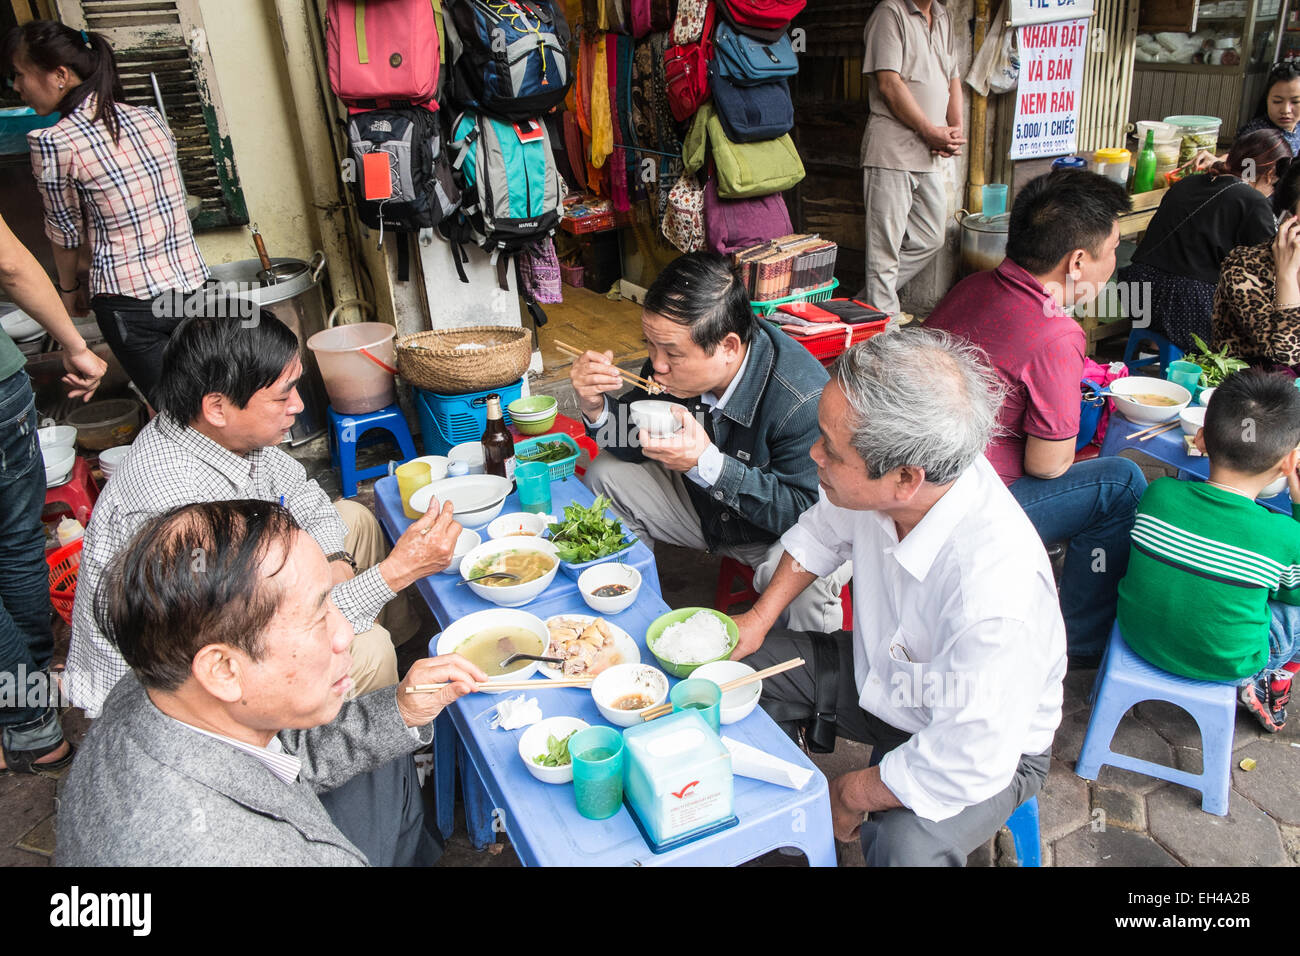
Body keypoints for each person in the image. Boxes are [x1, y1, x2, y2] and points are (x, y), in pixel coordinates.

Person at [732, 329, 1066, 867]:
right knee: (738, 675)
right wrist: (757, 618)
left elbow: (964, 758)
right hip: (881, 675)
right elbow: (821, 533)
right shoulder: (887, 478)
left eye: (830, 449)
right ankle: (777, 833)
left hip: (985, 747)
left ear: (905, 478)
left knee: (905, 849)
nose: (814, 454)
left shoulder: (996, 596)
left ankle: (843, 821)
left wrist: (847, 793)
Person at [67, 307, 457, 717]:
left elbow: (305, 495)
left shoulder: (216, 431)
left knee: (354, 520)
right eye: (282, 395)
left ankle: (403, 649)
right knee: (368, 653)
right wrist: (398, 572)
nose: (297, 405)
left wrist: (336, 561)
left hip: (244, 608)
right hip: (177, 696)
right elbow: (261, 635)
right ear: (217, 406)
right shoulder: (176, 509)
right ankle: (375, 735)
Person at [56, 499, 488, 865]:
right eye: (320, 615)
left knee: (390, 744)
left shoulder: (160, 670)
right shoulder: (230, 849)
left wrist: (402, 710)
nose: (344, 635)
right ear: (223, 670)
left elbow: (286, 753)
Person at [926, 169, 1146, 662]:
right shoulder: (1057, 333)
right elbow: (1046, 466)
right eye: (1112, 250)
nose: (1115, 263)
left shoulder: (973, 286)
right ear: (1078, 261)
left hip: (925, 480)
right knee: (1122, 483)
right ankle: (1080, 642)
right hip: (968, 510)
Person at [570, 252, 848, 633]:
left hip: (775, 534)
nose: (657, 364)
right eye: (650, 345)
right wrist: (596, 406)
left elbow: (808, 514)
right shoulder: (669, 367)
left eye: (671, 352)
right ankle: (632, 621)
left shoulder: (799, 398)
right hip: (709, 513)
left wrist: (707, 465)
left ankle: (809, 680)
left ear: (729, 347)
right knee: (606, 474)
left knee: (807, 584)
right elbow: (635, 440)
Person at [3, 20, 209, 404]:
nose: (16, 87)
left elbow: (64, 234)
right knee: (215, 403)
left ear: (60, 75)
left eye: (18, 75)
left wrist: (68, 292)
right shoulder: (150, 118)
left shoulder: (53, 141)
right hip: (193, 292)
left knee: (176, 416)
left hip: (130, 304)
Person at [1117, 370, 1300, 732]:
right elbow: (1293, 596)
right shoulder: (1284, 534)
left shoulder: (1160, 494)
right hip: (1227, 663)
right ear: (1289, 462)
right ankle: (1267, 678)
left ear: (1199, 439)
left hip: (1138, 636)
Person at [0, 211, 106, 778]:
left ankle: (29, 723)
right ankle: (34, 693)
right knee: (16, 547)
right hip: (3, 387)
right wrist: (75, 346)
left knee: (15, 549)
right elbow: (12, 263)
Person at [1122, 128, 1288, 353]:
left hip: (1135, 293)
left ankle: (1159, 344)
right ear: (1270, 174)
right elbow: (1274, 264)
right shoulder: (1253, 201)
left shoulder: (1188, 183)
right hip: (1187, 307)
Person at [857, 0, 964, 320]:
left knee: (931, 236)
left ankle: (861, 306)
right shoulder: (889, 14)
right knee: (883, 252)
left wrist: (954, 129)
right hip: (891, 152)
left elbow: (953, 79)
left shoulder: (942, 17)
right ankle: (883, 334)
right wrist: (929, 130)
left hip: (928, 153)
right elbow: (889, 84)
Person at [1213, 159, 1300, 375]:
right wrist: (1286, 276)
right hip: (1252, 396)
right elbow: (1286, 358)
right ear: (1289, 219)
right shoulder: (1245, 268)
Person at [1238, 58, 1300, 156]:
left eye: (1295, 101)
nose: (1285, 110)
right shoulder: (1257, 134)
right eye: (1277, 101)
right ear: (1267, 100)